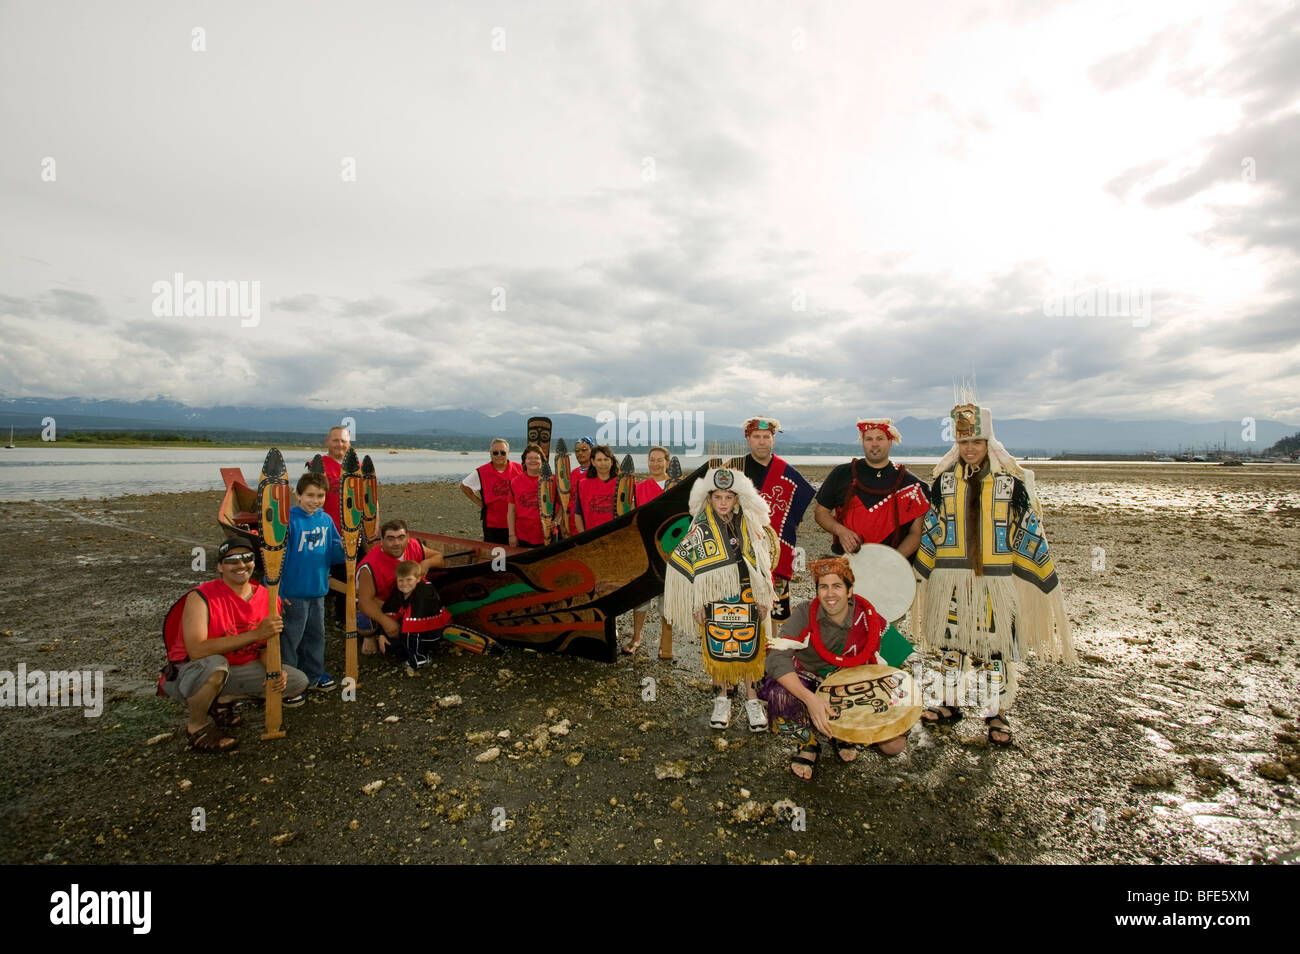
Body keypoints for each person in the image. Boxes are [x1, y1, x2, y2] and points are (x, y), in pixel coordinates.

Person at [913, 392, 1075, 744]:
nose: (970, 448)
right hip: (950, 578)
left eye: (976, 441)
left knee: (995, 646)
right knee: (950, 642)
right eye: (963, 441)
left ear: (988, 441)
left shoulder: (1010, 485)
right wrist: (918, 573)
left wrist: (1040, 573)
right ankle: (948, 701)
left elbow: (1027, 529)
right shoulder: (943, 483)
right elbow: (932, 528)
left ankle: (996, 711)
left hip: (995, 580)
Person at [757, 557, 906, 780]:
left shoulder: (868, 617)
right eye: (823, 587)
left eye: (837, 586)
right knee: (777, 694)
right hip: (810, 682)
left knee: (894, 745)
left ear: (849, 590)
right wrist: (810, 699)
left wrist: (892, 711)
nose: (829, 594)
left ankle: (844, 734)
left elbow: (900, 662)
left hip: (852, 688)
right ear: (816, 591)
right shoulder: (804, 613)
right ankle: (808, 743)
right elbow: (776, 657)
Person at [159, 538, 306, 752]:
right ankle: (197, 725)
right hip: (193, 669)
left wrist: (273, 668)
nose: (241, 564)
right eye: (232, 559)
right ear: (220, 566)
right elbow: (197, 650)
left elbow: (264, 646)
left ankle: (222, 699)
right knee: (216, 666)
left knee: (296, 681)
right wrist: (255, 633)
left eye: (247, 558)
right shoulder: (200, 597)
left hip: (238, 667)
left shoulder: (267, 596)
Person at [664, 468, 778, 732]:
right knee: (719, 646)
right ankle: (722, 699)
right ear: (709, 499)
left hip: (748, 592)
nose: (724, 502)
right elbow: (689, 566)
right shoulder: (699, 528)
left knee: (751, 647)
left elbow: (761, 561)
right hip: (714, 596)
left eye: (729, 497)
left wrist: (762, 596)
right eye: (718, 497)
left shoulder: (749, 523)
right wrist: (696, 603)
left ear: (737, 499)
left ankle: (752, 701)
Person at [814, 418, 932, 559]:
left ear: (890, 442)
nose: (874, 444)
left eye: (880, 438)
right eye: (869, 439)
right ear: (862, 443)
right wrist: (841, 531)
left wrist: (895, 559)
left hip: (890, 568)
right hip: (844, 560)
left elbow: (916, 533)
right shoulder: (841, 474)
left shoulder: (911, 485)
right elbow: (821, 512)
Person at [739, 417, 815, 621]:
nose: (762, 441)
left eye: (766, 437)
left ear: (773, 440)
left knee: (773, 613)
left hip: (775, 553)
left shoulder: (788, 474)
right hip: (740, 549)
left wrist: (783, 530)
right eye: (756, 436)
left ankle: (772, 649)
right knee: (741, 608)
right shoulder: (735, 469)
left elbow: (800, 505)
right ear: (748, 438)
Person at [279, 472, 345, 706]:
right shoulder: (288, 521)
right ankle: (289, 684)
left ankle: (315, 675)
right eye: (310, 495)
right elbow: (278, 559)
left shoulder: (326, 520)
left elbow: (335, 554)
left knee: (316, 636)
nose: (315, 500)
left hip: (318, 590)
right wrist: (279, 592)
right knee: (291, 638)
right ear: (298, 495)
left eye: (320, 496)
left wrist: (346, 547)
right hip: (293, 593)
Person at [356, 520, 445, 657]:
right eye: (390, 539)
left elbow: (439, 557)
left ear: (408, 537)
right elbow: (364, 601)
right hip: (382, 604)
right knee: (393, 646)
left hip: (404, 600)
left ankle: (422, 627)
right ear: (382, 540)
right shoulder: (370, 566)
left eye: (401, 537)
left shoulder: (413, 545)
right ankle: (370, 635)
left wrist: (426, 563)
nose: (397, 543)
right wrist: (386, 622)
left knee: (423, 587)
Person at [624, 446, 672, 656]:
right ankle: (637, 637)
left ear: (667, 462)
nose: (655, 464)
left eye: (660, 460)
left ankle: (666, 642)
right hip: (645, 547)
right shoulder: (639, 487)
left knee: (666, 597)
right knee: (641, 595)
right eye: (652, 460)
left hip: (669, 549)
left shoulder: (675, 486)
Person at [379, 561, 453, 674]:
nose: (405, 584)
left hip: (431, 633)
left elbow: (415, 620)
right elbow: (389, 609)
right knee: (390, 645)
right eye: (401, 580)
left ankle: (419, 659)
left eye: (409, 580)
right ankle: (416, 651)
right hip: (414, 633)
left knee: (409, 630)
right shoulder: (398, 593)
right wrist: (382, 633)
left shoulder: (425, 591)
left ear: (418, 579)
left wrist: (401, 629)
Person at [460, 439, 523, 544]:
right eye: (495, 452)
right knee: (494, 554)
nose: (499, 455)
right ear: (490, 454)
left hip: (517, 522)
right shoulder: (481, 472)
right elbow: (464, 486)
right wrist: (480, 503)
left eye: (503, 452)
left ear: (508, 453)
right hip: (493, 524)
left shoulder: (520, 469)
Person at [507, 443, 548, 548]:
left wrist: (556, 521)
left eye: (536, 458)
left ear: (542, 461)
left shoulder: (551, 480)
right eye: (529, 458)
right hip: (523, 533)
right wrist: (512, 534)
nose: (533, 461)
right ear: (524, 461)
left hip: (547, 533)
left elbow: (562, 505)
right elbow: (511, 511)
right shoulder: (515, 482)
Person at [573, 444, 619, 533]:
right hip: (592, 538)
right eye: (599, 460)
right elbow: (578, 514)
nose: (603, 463)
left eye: (606, 459)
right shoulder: (583, 484)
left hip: (615, 537)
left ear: (612, 462)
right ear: (593, 462)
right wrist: (584, 537)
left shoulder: (621, 483)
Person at [565, 436, 594, 536]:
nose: (580, 453)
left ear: (592, 450)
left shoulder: (597, 472)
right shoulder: (573, 473)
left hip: (589, 526)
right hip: (572, 526)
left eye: (584, 449)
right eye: (577, 450)